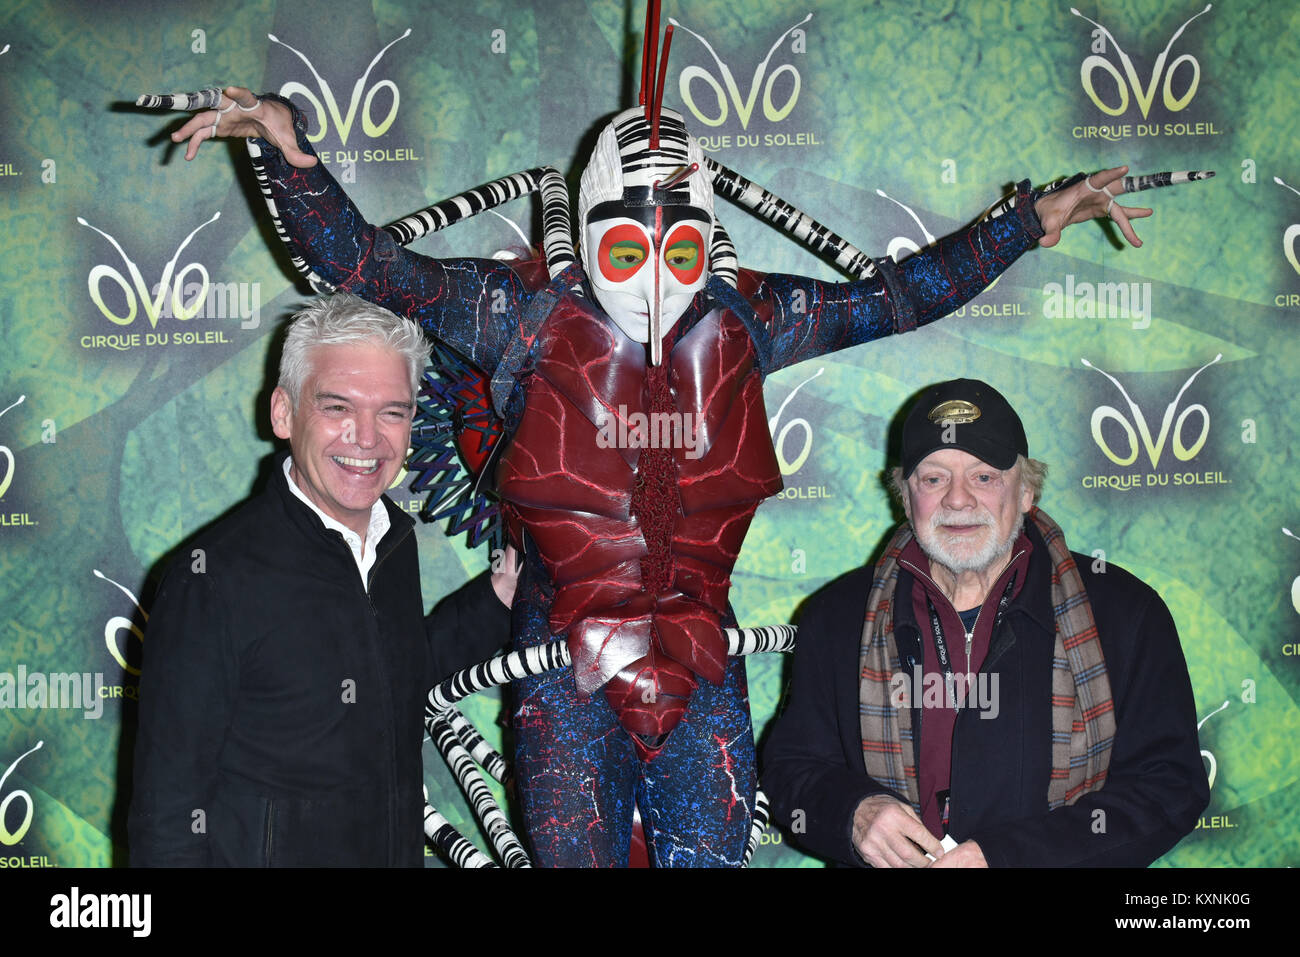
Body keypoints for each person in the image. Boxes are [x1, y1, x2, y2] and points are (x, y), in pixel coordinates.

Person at [137, 11, 1163, 867]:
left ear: (705, 234)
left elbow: (894, 298)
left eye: (677, 242)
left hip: (701, 671)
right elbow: (367, 265)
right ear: (586, 229)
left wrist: (1026, 225)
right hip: (563, 672)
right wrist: (291, 152)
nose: (658, 273)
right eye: (628, 243)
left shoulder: (750, 319)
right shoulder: (521, 314)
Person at [762, 378, 1208, 867]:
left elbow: (1169, 786)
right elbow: (792, 768)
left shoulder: (1125, 613)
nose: (957, 500)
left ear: (1026, 492)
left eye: (984, 477)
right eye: (933, 479)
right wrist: (854, 813)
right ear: (906, 496)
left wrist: (1007, 858)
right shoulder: (836, 616)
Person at [129, 293, 433, 866]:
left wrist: (497, 598)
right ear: (283, 413)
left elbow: (391, 674)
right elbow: (166, 823)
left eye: (392, 411)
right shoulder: (211, 580)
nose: (367, 438)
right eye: (338, 407)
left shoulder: (394, 545)